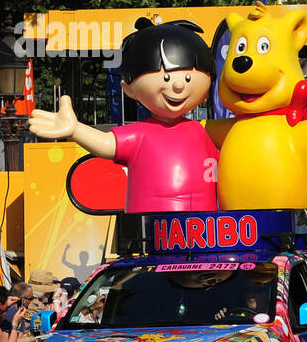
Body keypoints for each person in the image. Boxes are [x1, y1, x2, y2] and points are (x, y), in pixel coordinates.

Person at [30, 18, 222, 212]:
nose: (178, 86)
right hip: (151, 226)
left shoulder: (203, 130)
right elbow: (107, 144)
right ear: (128, 89)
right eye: (166, 77)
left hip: (204, 227)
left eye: (188, 77)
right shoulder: (141, 134)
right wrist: (75, 129)